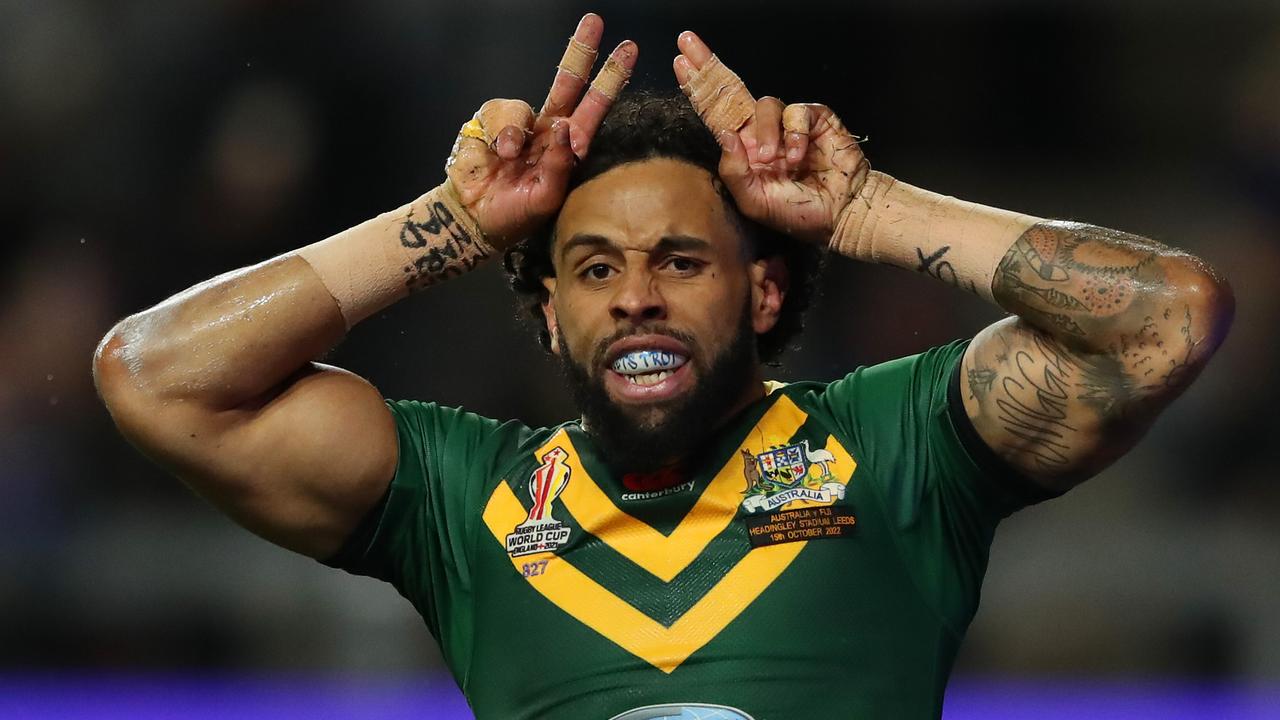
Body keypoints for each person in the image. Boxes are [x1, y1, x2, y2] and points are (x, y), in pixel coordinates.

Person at [92, 13, 1234, 720]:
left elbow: (1165, 320)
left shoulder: (893, 449)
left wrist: (869, 208)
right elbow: (153, 375)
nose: (633, 291)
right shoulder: (462, 498)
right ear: (547, 316)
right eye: (590, 269)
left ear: (766, 290)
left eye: (679, 260)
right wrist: (450, 220)